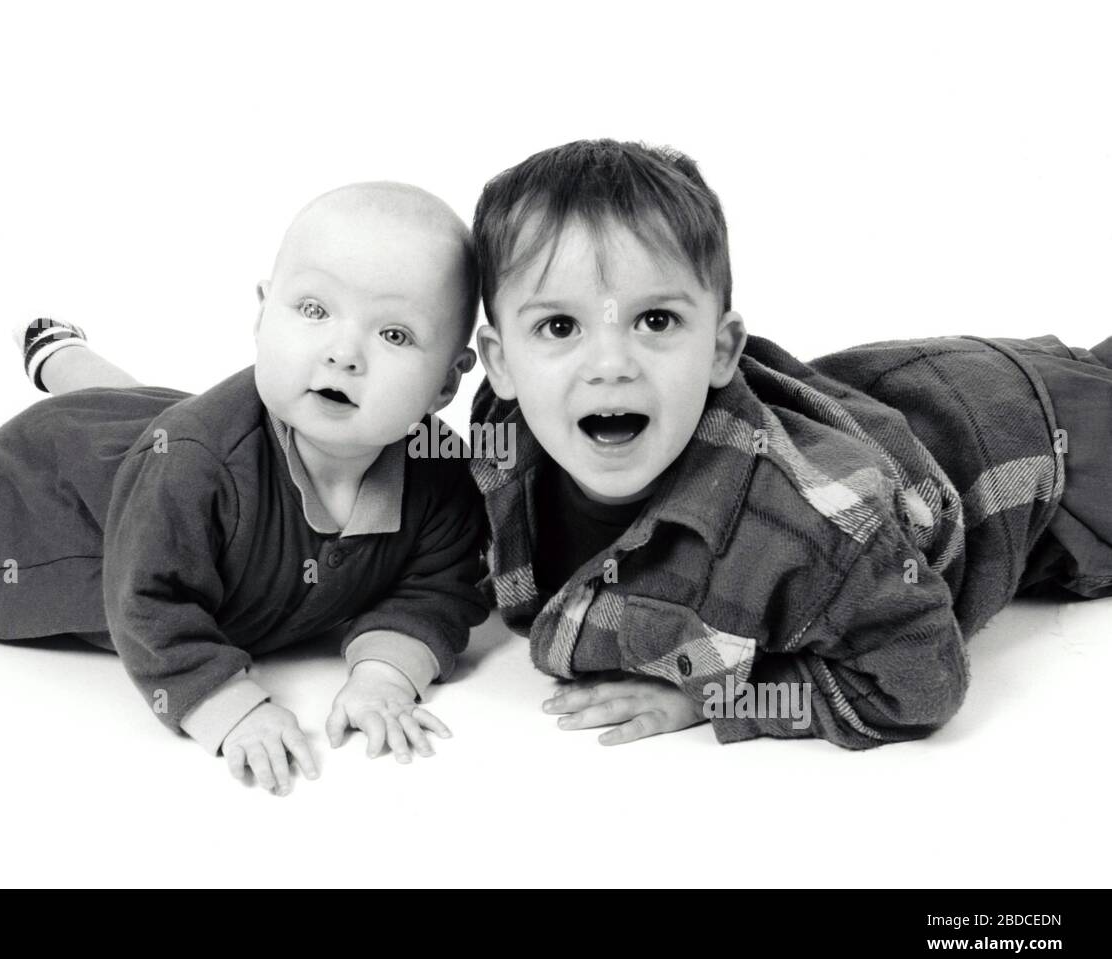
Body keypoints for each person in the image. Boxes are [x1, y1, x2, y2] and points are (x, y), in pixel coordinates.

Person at [0, 182, 489, 791]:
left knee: (150, 413)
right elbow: (147, 600)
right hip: (72, 501)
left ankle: (64, 359)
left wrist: (385, 674)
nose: (344, 352)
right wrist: (227, 704)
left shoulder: (441, 476)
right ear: (262, 313)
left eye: (395, 333)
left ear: (449, 381)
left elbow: (439, 585)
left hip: (158, 429)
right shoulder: (198, 465)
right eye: (312, 308)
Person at [467, 138, 1112, 749]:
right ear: (501, 361)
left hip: (1052, 452)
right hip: (924, 394)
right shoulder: (501, 438)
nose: (609, 363)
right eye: (558, 326)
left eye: (655, 320)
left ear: (721, 350)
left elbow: (919, 686)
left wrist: (719, 699)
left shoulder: (815, 526)